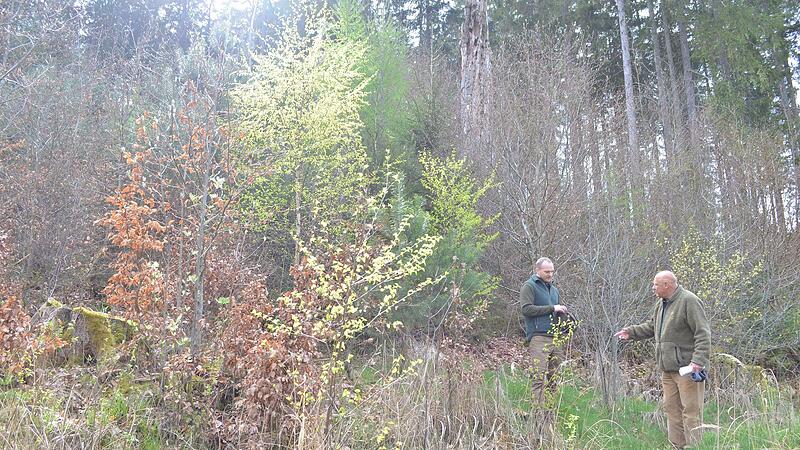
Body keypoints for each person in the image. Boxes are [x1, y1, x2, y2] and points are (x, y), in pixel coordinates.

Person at [615, 271, 711, 449]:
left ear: (667, 284)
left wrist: (697, 361)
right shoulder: (661, 303)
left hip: (688, 369)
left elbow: (703, 333)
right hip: (667, 369)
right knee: (672, 410)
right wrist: (631, 332)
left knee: (691, 412)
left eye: (655, 285)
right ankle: (676, 445)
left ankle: (695, 446)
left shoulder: (689, 301)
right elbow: (652, 326)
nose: (653, 288)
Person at [520, 257, 569, 406]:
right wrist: (552, 308)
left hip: (556, 338)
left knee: (555, 378)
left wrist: (565, 322)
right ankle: (538, 417)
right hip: (538, 337)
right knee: (539, 378)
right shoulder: (529, 286)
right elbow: (526, 309)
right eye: (547, 271)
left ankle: (550, 413)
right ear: (538, 270)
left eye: (552, 271)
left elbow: (556, 313)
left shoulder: (554, 290)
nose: (550, 274)